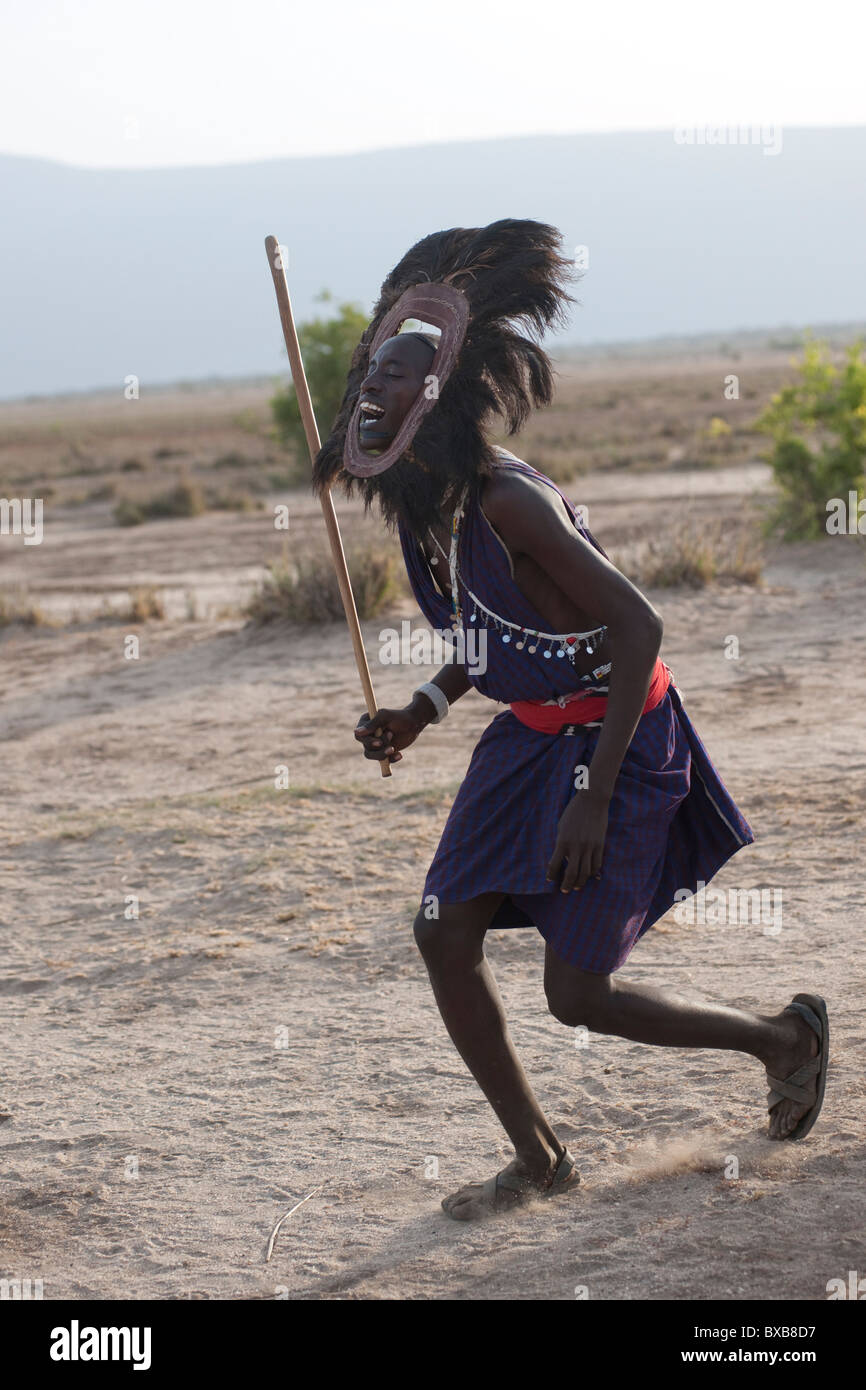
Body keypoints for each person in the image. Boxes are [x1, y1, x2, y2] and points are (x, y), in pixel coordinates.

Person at [312, 219, 830, 1221]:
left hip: (617, 740)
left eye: (398, 373)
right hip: (530, 737)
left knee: (576, 995)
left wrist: (592, 794)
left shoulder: (506, 501)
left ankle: (784, 1040)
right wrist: (417, 712)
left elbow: (637, 625)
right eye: (368, 372)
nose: (373, 388)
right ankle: (538, 1156)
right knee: (439, 931)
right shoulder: (437, 511)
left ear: (441, 393)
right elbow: (490, 634)